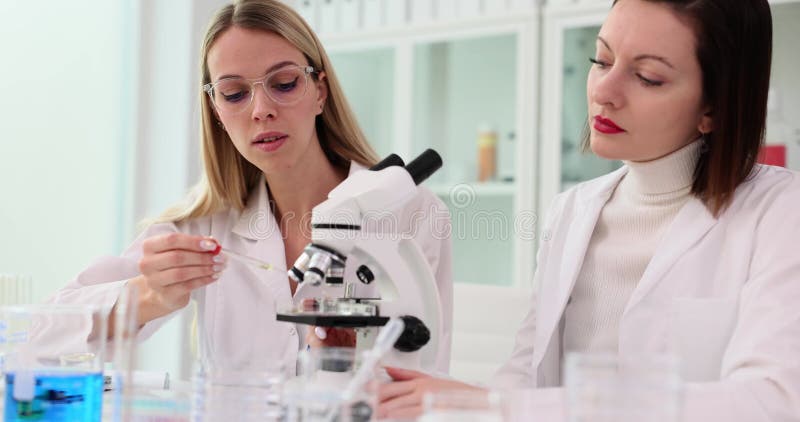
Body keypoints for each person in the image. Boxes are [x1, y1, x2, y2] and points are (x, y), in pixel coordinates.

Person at [378, 0, 800, 420]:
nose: (603, 91)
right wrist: (446, 399)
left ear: (714, 107)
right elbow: (524, 380)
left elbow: (771, 401)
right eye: (601, 60)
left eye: (648, 77)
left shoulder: (780, 212)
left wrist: (499, 403)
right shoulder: (573, 210)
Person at [48, 0, 452, 375]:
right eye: (235, 93)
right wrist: (147, 295)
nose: (261, 110)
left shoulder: (410, 210)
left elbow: (423, 380)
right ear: (217, 112)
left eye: (285, 83)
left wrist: (344, 368)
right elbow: (37, 333)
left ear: (320, 91)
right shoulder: (202, 226)